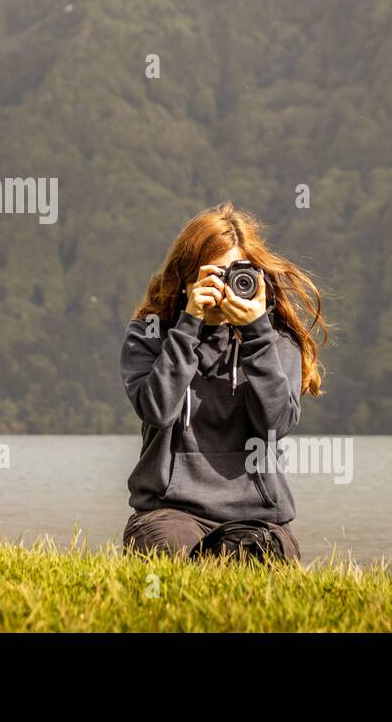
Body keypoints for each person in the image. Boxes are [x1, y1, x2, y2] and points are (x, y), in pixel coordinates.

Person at [120, 202, 327, 562]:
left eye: (239, 274)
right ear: (187, 280)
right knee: (172, 554)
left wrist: (257, 334)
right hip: (170, 512)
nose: (228, 286)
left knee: (257, 558)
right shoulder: (150, 336)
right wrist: (189, 325)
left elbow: (276, 425)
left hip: (257, 517)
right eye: (215, 274)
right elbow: (158, 410)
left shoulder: (277, 341)